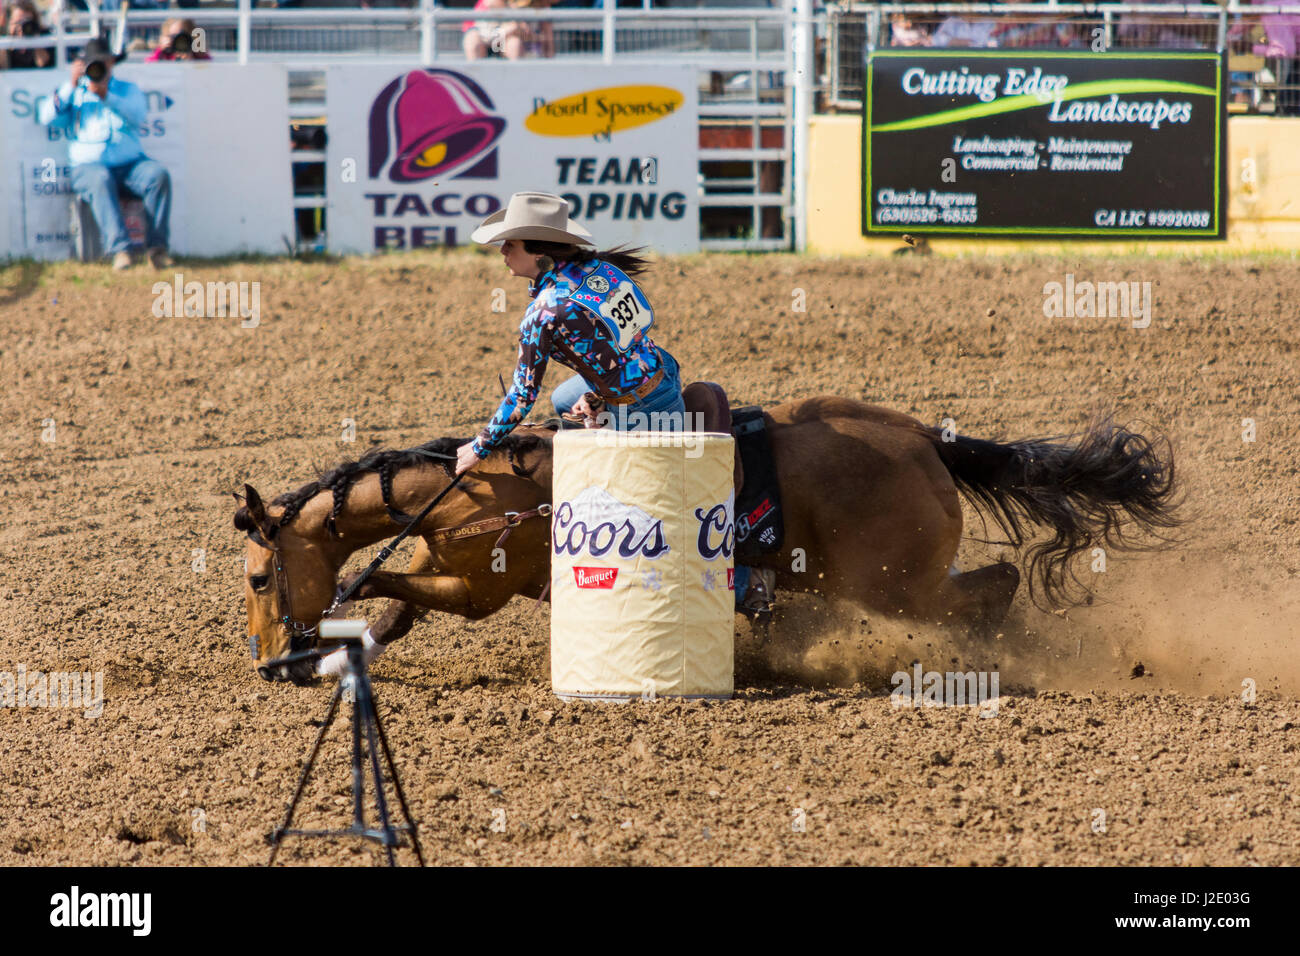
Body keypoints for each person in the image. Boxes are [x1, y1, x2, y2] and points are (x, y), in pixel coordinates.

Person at [454, 191, 776, 618]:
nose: (503, 253)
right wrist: (596, 395)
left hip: (643, 407)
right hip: (660, 370)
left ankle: (743, 587)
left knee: (655, 518)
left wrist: (478, 447)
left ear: (539, 251)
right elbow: (639, 324)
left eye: (510, 244)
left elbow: (520, 396)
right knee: (564, 399)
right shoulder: (601, 270)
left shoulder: (544, 313)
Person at [38, 37, 173, 271]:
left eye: (101, 63)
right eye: (93, 64)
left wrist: (106, 96)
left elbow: (137, 115)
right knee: (100, 179)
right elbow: (47, 117)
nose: (98, 68)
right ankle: (120, 250)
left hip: (131, 166)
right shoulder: (74, 92)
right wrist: (71, 85)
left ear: (112, 62)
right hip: (88, 168)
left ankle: (157, 249)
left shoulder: (126, 90)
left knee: (157, 175)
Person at [0, 0, 54, 70]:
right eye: (17, 22)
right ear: (9, 23)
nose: (21, 27)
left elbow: (43, 64)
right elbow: (4, 70)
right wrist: (6, 41)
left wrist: (35, 40)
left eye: (26, 22)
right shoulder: (5, 37)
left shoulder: (44, 35)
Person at [146, 17, 212, 62]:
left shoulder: (199, 56)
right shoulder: (164, 55)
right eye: (173, 36)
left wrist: (191, 61)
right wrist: (160, 51)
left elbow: (208, 71)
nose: (179, 40)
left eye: (183, 36)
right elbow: (148, 67)